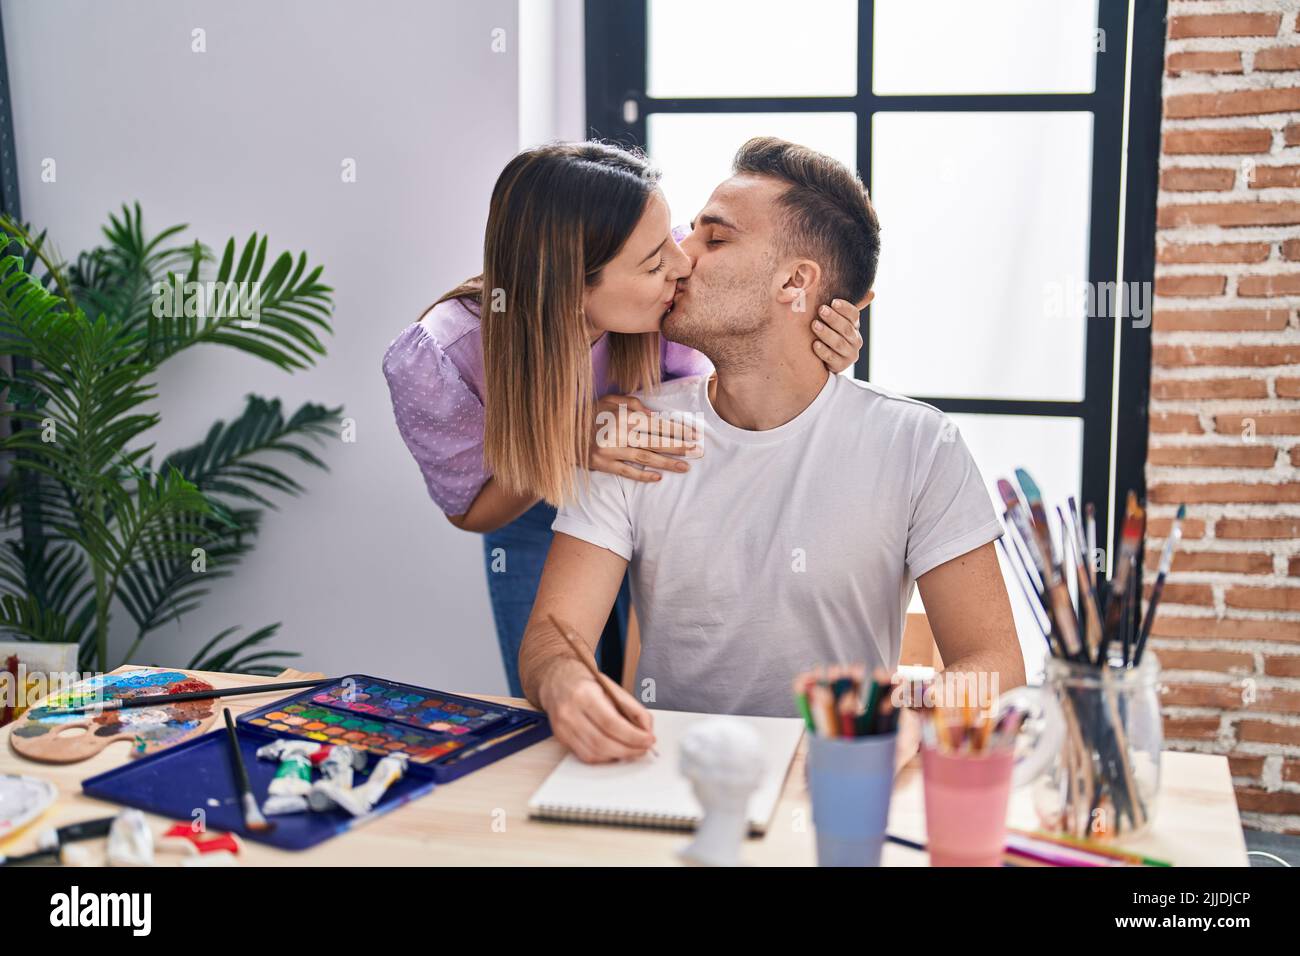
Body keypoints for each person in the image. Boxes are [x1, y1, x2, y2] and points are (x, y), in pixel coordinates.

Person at [518, 137, 1026, 763]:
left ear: (794, 281)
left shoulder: (918, 444)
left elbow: (995, 662)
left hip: (837, 780)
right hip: (671, 780)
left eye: (714, 238)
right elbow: (552, 638)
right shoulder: (632, 435)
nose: (680, 256)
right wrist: (566, 684)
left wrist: (910, 714)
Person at [383, 141, 865, 696]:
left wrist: (814, 346)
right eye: (656, 262)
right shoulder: (439, 360)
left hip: (655, 482)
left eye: (675, 239)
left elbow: (751, 354)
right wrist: (567, 444)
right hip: (531, 505)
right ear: (570, 288)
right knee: (556, 688)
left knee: (666, 675)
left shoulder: (666, 283)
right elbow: (471, 511)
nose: (683, 265)